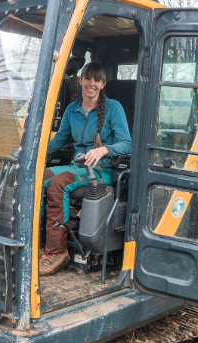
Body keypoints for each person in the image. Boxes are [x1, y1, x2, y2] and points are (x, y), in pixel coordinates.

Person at [40, 62, 132, 276]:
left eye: (97, 80)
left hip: (101, 170)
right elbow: (61, 139)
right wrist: (36, 150)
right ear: (80, 80)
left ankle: (56, 251)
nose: (91, 83)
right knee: (37, 177)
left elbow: (127, 143)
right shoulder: (72, 109)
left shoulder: (113, 108)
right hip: (77, 166)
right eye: (88, 78)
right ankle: (38, 242)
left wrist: (104, 151)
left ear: (102, 84)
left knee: (58, 183)